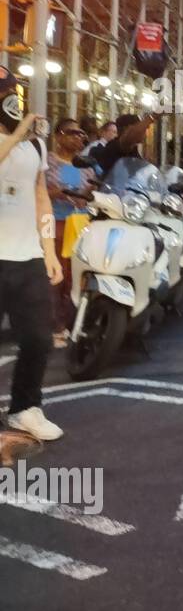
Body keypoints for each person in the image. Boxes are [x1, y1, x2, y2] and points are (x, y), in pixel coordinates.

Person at [0, 80, 65, 441]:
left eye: (10, 91)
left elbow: (41, 196)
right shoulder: (18, 139)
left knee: (39, 338)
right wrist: (20, 130)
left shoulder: (34, 145)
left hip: (28, 256)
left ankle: (25, 408)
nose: (10, 99)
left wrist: (50, 250)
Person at [45, 119, 93, 345]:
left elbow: (90, 190)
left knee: (76, 275)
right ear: (58, 136)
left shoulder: (85, 164)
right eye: (72, 133)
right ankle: (57, 325)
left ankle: (73, 320)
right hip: (55, 222)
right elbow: (44, 190)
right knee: (57, 275)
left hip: (79, 224)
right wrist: (64, 193)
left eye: (81, 133)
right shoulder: (48, 162)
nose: (78, 137)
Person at [96, 113, 159, 179]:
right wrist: (153, 116)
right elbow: (128, 139)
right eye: (140, 126)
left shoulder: (133, 149)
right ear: (127, 129)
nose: (145, 130)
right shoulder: (115, 146)